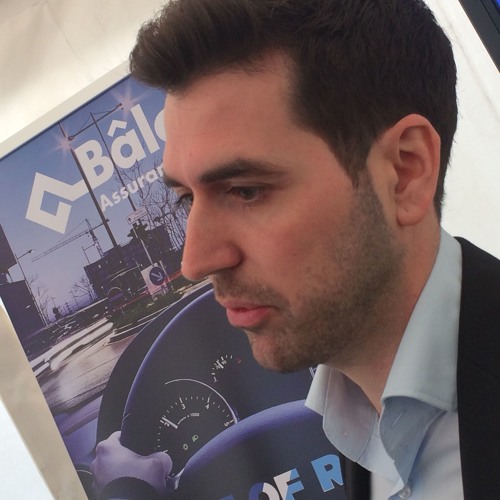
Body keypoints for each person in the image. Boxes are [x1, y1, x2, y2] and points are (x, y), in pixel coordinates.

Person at [91, 0, 500, 498]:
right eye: (185, 200)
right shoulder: (354, 418)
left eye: (246, 191)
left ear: (405, 172)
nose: (194, 262)